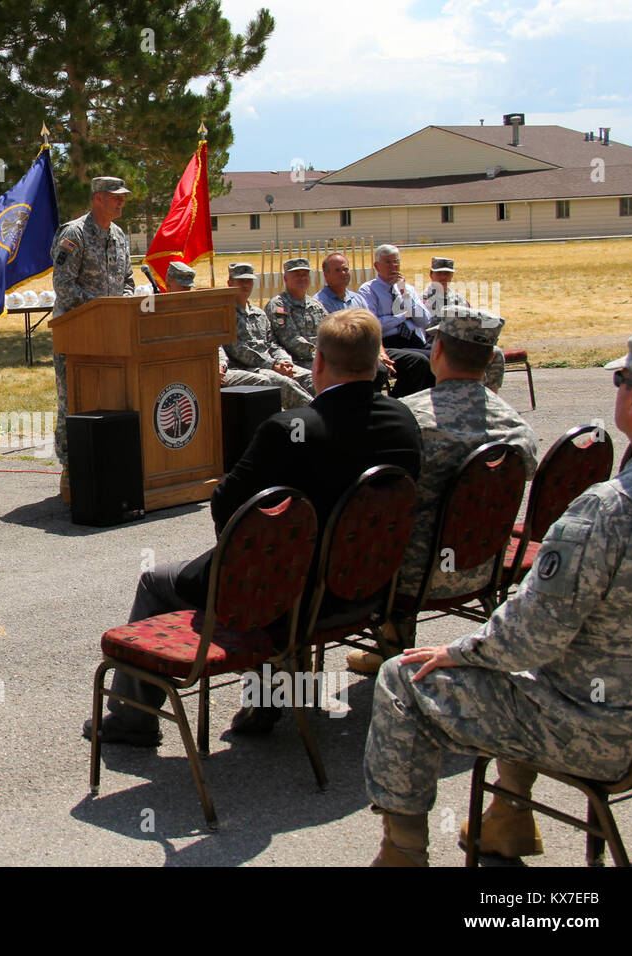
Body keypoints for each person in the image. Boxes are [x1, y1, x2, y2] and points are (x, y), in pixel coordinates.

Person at [364, 328, 632, 866]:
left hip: (601, 731)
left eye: (620, 380)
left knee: (404, 679)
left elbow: (527, 637)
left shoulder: (610, 511)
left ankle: (401, 856)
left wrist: (455, 652)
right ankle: (506, 820)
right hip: (631, 716)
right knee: (535, 667)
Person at [84, 309, 422, 745]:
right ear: (377, 361)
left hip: (288, 595)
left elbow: (228, 509)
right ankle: (267, 696)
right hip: (369, 588)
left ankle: (134, 718)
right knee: (279, 563)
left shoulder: (291, 429)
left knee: (159, 581)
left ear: (317, 363)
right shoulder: (403, 421)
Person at [345, 308, 538, 675]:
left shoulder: (404, 420)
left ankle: (391, 642)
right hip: (486, 567)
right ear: (490, 359)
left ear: (437, 351)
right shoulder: (517, 428)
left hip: (409, 577)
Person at [51, 176, 136, 498]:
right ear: (97, 198)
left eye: (123, 198)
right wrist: (99, 308)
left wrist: (121, 304)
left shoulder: (119, 236)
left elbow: (127, 279)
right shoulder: (74, 233)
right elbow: (64, 284)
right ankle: (71, 468)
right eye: (115, 197)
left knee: (110, 397)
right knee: (72, 399)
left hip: (112, 333)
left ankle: (104, 463)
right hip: (76, 333)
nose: (121, 202)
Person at [222, 262, 315, 409]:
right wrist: (273, 365)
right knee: (285, 383)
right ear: (229, 283)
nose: (245, 285)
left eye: (249, 281)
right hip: (247, 368)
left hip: (273, 364)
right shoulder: (224, 314)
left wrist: (284, 361)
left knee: (310, 378)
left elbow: (272, 343)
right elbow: (238, 350)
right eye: (241, 281)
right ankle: (316, 413)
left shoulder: (259, 314)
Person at [165, 261, 269, 390]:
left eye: (188, 287)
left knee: (262, 382)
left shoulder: (199, 314)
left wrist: (220, 366)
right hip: (180, 373)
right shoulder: (156, 316)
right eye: (182, 286)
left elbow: (216, 345)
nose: (187, 291)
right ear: (168, 284)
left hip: (213, 369)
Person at [358, 244, 435, 397]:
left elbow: (424, 321)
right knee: (420, 361)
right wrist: (402, 317)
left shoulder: (408, 289)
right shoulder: (368, 290)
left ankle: (427, 401)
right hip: (390, 343)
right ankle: (400, 401)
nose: (393, 266)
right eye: (388, 262)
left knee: (442, 357)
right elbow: (374, 325)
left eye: (396, 262)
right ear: (376, 266)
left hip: (414, 340)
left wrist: (405, 295)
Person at [422, 256, 505, 392]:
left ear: (452, 276)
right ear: (431, 275)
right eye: (439, 273)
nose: (443, 277)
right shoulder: (421, 299)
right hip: (437, 343)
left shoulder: (459, 299)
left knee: (495, 352)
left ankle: (490, 394)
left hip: (463, 342)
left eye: (447, 273)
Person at [316, 252, 399, 386]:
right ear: (326, 275)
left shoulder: (358, 299)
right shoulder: (320, 303)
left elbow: (373, 330)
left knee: (418, 361)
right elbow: (331, 341)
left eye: (345, 269)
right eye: (337, 270)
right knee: (380, 370)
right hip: (345, 355)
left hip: (370, 350)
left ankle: (397, 401)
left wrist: (381, 353)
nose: (343, 273)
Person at [266, 257, 327, 367]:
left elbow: (329, 331)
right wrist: (320, 355)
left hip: (321, 358)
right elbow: (289, 338)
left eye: (305, 274)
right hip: (294, 362)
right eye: (297, 275)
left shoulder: (316, 305)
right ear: (285, 278)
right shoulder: (279, 305)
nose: (302, 278)